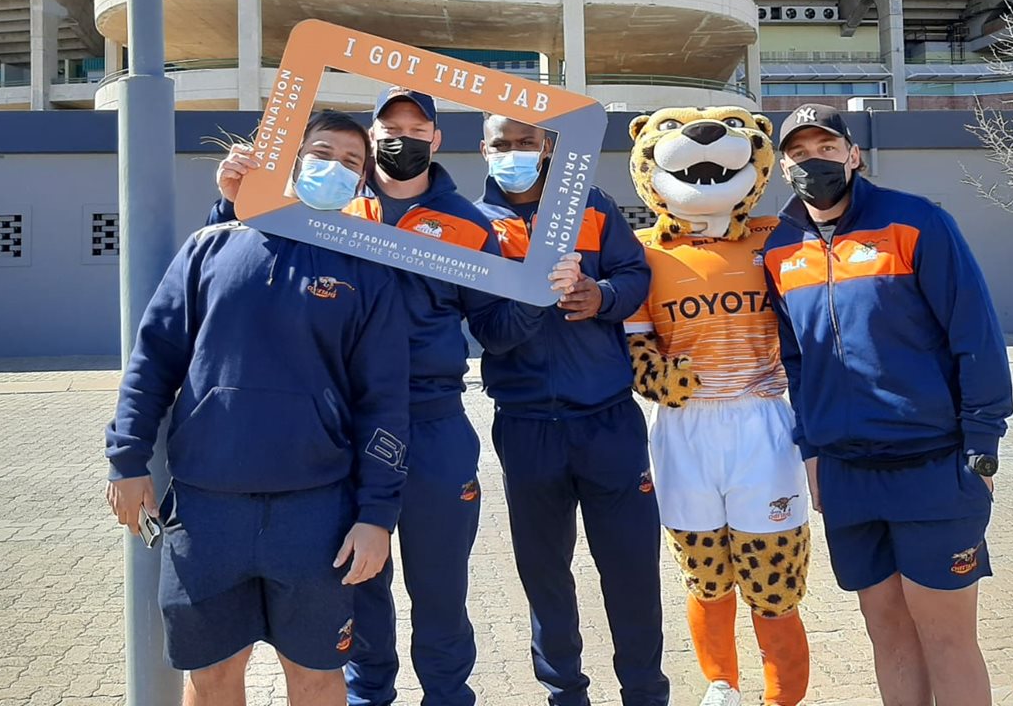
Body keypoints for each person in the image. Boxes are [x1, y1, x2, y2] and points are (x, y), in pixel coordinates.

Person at [211, 88, 561, 706]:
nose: (403, 137)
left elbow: (497, 332)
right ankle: (369, 696)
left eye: (416, 126)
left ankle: (448, 696)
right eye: (389, 126)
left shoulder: (469, 224)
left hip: (432, 425)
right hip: (343, 425)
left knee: (440, 588)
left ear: (436, 138)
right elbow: (246, 273)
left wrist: (534, 290)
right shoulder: (333, 209)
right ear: (371, 137)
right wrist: (231, 202)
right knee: (357, 585)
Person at [105, 110, 410, 706]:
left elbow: (384, 404)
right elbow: (153, 362)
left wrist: (377, 516)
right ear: (292, 164)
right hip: (205, 511)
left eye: (351, 163)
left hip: (316, 514)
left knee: (318, 678)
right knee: (212, 678)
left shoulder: (367, 271)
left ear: (363, 184)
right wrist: (127, 460)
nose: (334, 169)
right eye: (322, 154)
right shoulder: (209, 248)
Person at [760, 103, 1013, 706]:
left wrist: (982, 443)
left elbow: (975, 334)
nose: (811, 161)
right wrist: (813, 449)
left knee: (946, 636)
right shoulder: (779, 249)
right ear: (782, 168)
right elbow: (796, 359)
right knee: (889, 633)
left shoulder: (917, 222)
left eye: (825, 148)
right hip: (849, 474)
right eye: (797, 153)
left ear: (854, 155)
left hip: (934, 466)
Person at [470, 113, 668, 706]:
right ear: (483, 149)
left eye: (525, 143)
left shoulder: (594, 206)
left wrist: (601, 296)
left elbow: (636, 273)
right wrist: (538, 292)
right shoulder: (474, 226)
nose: (513, 153)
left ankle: (645, 692)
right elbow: (490, 331)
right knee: (544, 574)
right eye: (501, 144)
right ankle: (564, 693)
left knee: (631, 569)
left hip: (608, 420)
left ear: (547, 147)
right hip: (528, 427)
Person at [622, 106, 811, 706]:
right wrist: (656, 379)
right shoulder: (639, 252)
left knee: (774, 574)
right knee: (704, 573)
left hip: (763, 420)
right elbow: (633, 338)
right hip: (684, 426)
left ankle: (783, 695)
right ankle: (721, 685)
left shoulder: (778, 235)